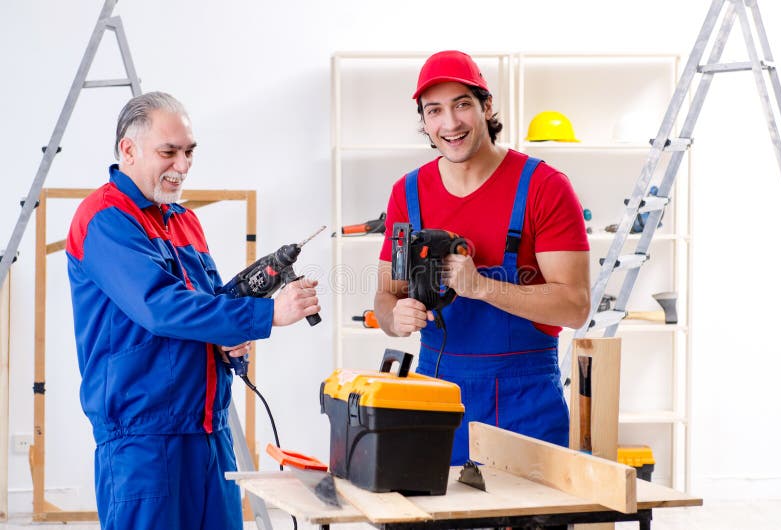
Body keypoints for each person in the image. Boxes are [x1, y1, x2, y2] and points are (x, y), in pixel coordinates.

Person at [66, 91, 320, 530]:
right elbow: (160, 307)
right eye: (169, 152)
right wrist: (265, 316)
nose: (182, 166)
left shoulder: (184, 220)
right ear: (128, 149)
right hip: (144, 440)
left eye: (189, 152)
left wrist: (230, 336)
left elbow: (209, 302)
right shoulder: (104, 219)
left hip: (208, 431)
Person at [374, 51, 591, 465]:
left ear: (486, 106)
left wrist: (482, 287)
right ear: (424, 120)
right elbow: (387, 295)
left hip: (524, 401)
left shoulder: (544, 187)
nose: (450, 123)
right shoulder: (408, 193)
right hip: (436, 395)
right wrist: (393, 318)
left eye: (462, 105)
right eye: (434, 110)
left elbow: (575, 306)